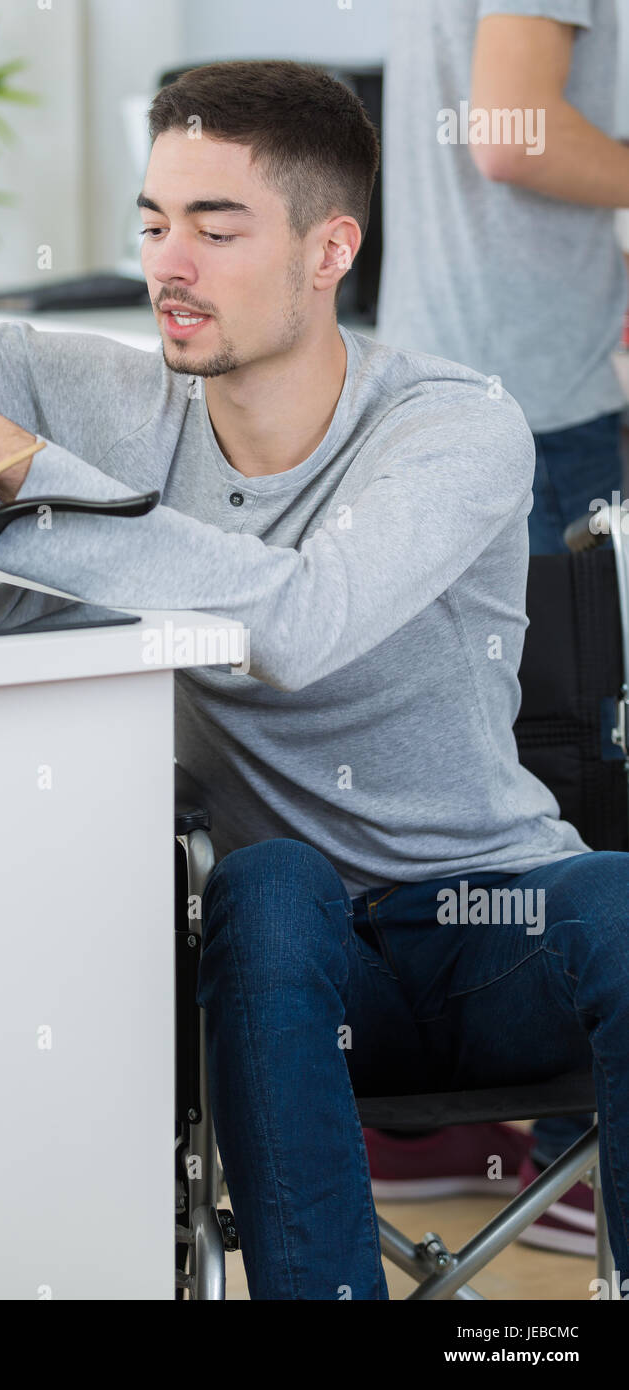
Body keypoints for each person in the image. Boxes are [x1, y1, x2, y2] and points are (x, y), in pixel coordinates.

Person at [0, 59, 628, 1301]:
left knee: (615, 897)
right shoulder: (118, 397)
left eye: (217, 228)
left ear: (330, 248)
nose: (170, 263)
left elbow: (299, 621)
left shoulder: (454, 427)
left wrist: (11, 466)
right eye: (153, 223)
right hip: (293, 949)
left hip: (493, 934)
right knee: (269, 881)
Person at [375, 0, 629, 1257]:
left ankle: (427, 1134)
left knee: (456, 741)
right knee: (555, 751)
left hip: (459, 374)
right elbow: (510, 133)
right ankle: (566, 1151)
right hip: (525, 402)